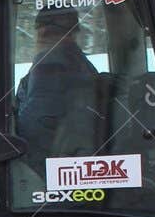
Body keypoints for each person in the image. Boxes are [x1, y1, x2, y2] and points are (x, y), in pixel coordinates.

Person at [15, 8, 101, 154]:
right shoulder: (80, 65)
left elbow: (33, 127)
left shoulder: (50, 68)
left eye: (49, 33)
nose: (40, 39)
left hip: (49, 167)